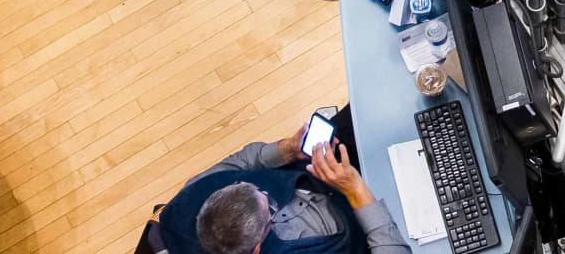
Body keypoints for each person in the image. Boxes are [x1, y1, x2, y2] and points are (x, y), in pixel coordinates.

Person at [162, 109, 409, 254]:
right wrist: (355, 190)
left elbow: (245, 161)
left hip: (318, 170)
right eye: (269, 207)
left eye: (251, 186)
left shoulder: (188, 200)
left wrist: (289, 150)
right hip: (367, 221)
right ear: (256, 248)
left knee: (376, 108)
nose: (268, 193)